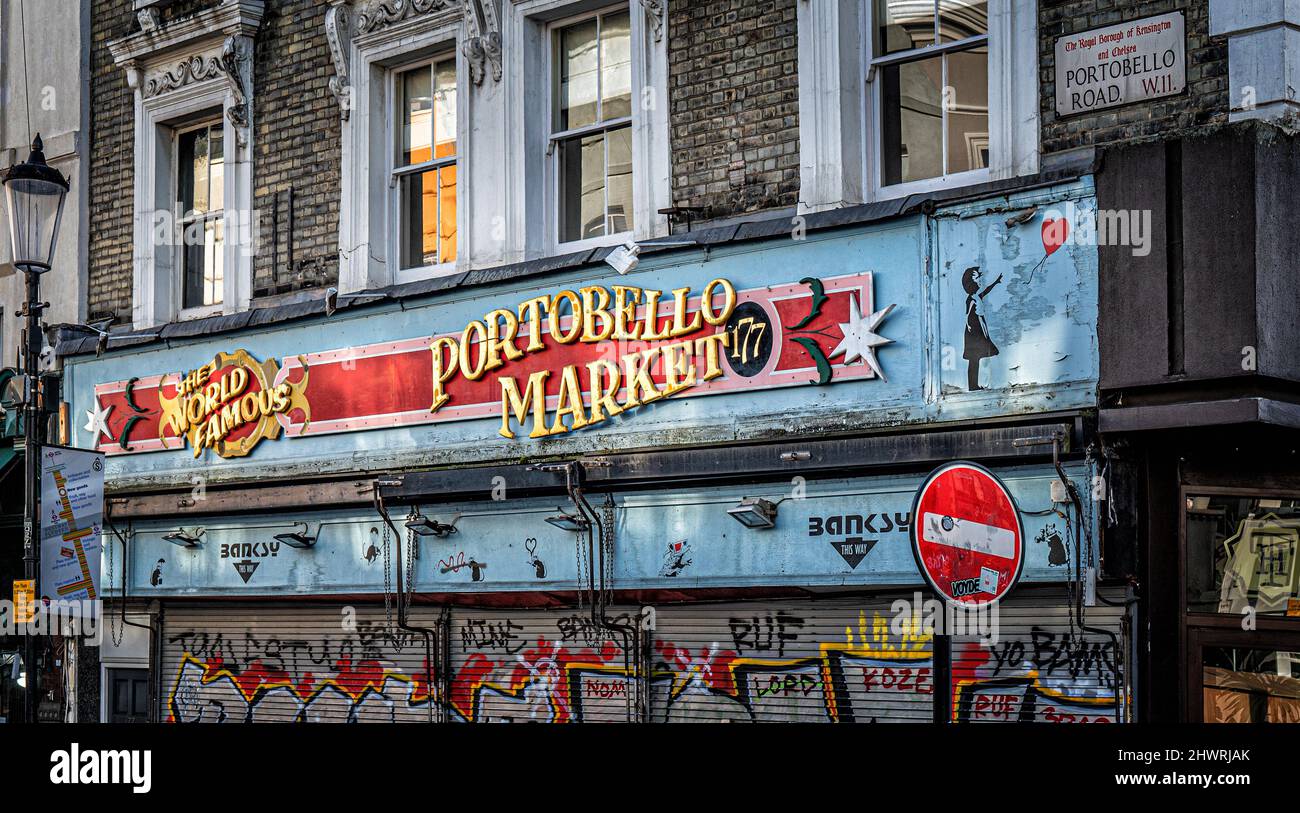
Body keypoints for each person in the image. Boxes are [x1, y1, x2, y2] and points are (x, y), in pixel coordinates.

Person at [962, 266, 1002, 390]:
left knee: (975, 358)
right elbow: (967, 314)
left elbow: (986, 291)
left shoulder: (976, 296)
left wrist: (995, 282)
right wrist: (968, 325)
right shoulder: (971, 298)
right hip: (973, 330)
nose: (979, 280)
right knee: (974, 358)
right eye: (977, 278)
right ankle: (972, 386)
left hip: (978, 328)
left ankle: (974, 385)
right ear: (971, 282)